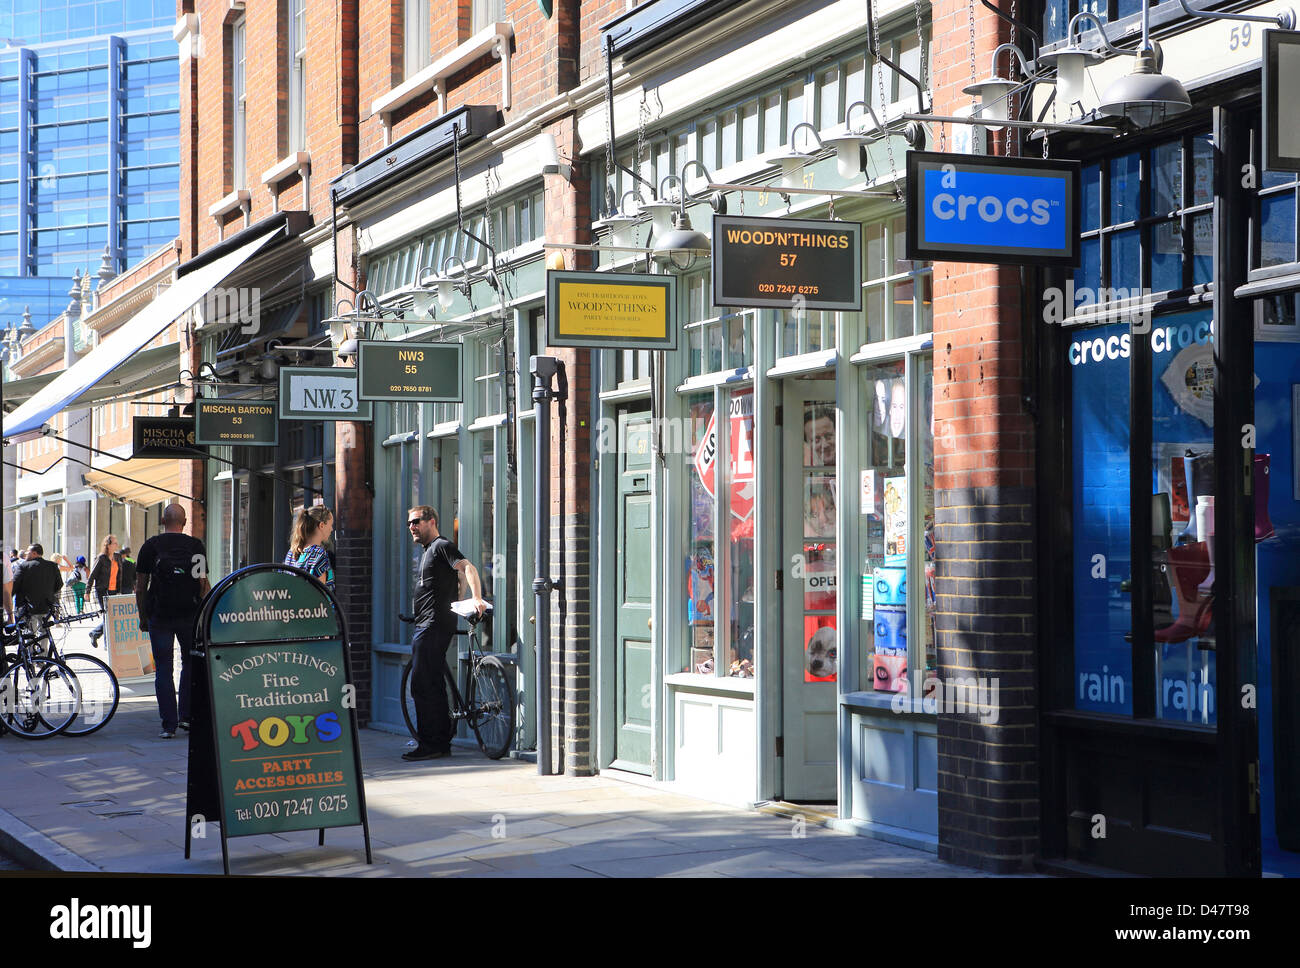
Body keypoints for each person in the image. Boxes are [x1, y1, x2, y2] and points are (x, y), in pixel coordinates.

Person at [403, 504, 486, 761]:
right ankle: (439, 742)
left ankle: (430, 744)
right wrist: (456, 598)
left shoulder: (441, 546)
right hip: (427, 623)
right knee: (433, 683)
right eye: (409, 524)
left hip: (432, 626)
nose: (412, 527)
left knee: (420, 684)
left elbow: (468, 568)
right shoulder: (429, 551)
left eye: (416, 521)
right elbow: (454, 579)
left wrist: (477, 598)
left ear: (432, 521)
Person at [135, 504, 210, 739]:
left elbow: (140, 586)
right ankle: (186, 716)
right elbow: (203, 583)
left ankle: (168, 724)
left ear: (161, 520)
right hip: (189, 615)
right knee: (189, 664)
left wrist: (143, 616)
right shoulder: (195, 546)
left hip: (160, 615)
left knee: (163, 669)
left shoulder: (150, 546)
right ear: (185, 522)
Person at [12, 544, 63, 631]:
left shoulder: (24, 566)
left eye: (28, 552)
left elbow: (14, 586)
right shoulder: (52, 566)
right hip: (46, 605)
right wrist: (49, 592)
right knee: (44, 632)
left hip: (28, 607)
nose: (26, 554)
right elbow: (59, 584)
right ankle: (43, 645)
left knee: (29, 634)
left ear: (34, 553)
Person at [284, 505, 335, 590]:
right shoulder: (319, 554)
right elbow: (319, 594)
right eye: (330, 525)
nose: (332, 529)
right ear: (321, 525)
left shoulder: (292, 552)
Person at [86, 535, 121, 647]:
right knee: (108, 616)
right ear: (108, 545)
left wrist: (120, 590)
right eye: (114, 543)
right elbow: (92, 575)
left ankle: (95, 633)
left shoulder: (118, 557)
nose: (116, 545)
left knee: (112, 617)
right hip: (102, 590)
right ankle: (108, 645)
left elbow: (120, 575)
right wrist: (87, 591)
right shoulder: (101, 558)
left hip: (114, 590)